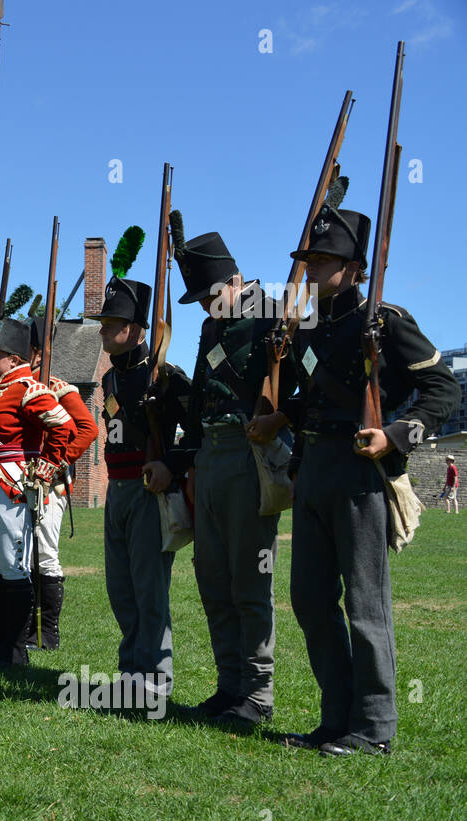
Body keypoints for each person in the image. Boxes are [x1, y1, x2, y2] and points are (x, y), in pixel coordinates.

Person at [281, 204, 457, 756]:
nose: (312, 270)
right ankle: (337, 716)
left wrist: (398, 435)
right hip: (312, 469)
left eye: (325, 260)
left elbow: (443, 389)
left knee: (365, 603)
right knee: (309, 599)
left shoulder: (384, 321)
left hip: (360, 471)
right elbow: (298, 398)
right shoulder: (306, 327)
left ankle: (375, 726)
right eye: (310, 259)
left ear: (355, 268)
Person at [168, 220, 294, 726]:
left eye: (210, 294)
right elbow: (200, 395)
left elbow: (306, 388)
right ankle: (229, 686)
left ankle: (258, 695)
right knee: (212, 576)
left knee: (250, 580)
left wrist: (280, 418)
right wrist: (192, 460)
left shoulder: (275, 315)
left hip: (250, 454)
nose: (204, 305)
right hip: (210, 458)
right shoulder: (210, 326)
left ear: (235, 280)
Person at [92, 269, 192, 697]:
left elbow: (199, 432)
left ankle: (154, 679)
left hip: (150, 489)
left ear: (135, 330)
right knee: (121, 588)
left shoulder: (164, 374)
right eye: (103, 324)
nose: (104, 332)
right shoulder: (110, 379)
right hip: (116, 487)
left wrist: (171, 463)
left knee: (150, 589)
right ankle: (131, 669)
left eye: (113, 325)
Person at [0, 319, 76, 666]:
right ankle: (3, 643)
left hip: (7, 479)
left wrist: (47, 465)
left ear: (13, 359)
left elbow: (64, 425)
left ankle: (14, 649)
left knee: (12, 564)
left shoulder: (28, 388)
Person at [28, 312, 99, 651]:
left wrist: (55, 463)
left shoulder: (58, 388)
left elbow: (88, 429)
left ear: (40, 353)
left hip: (46, 483)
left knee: (44, 553)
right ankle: (26, 624)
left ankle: (47, 632)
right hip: (17, 481)